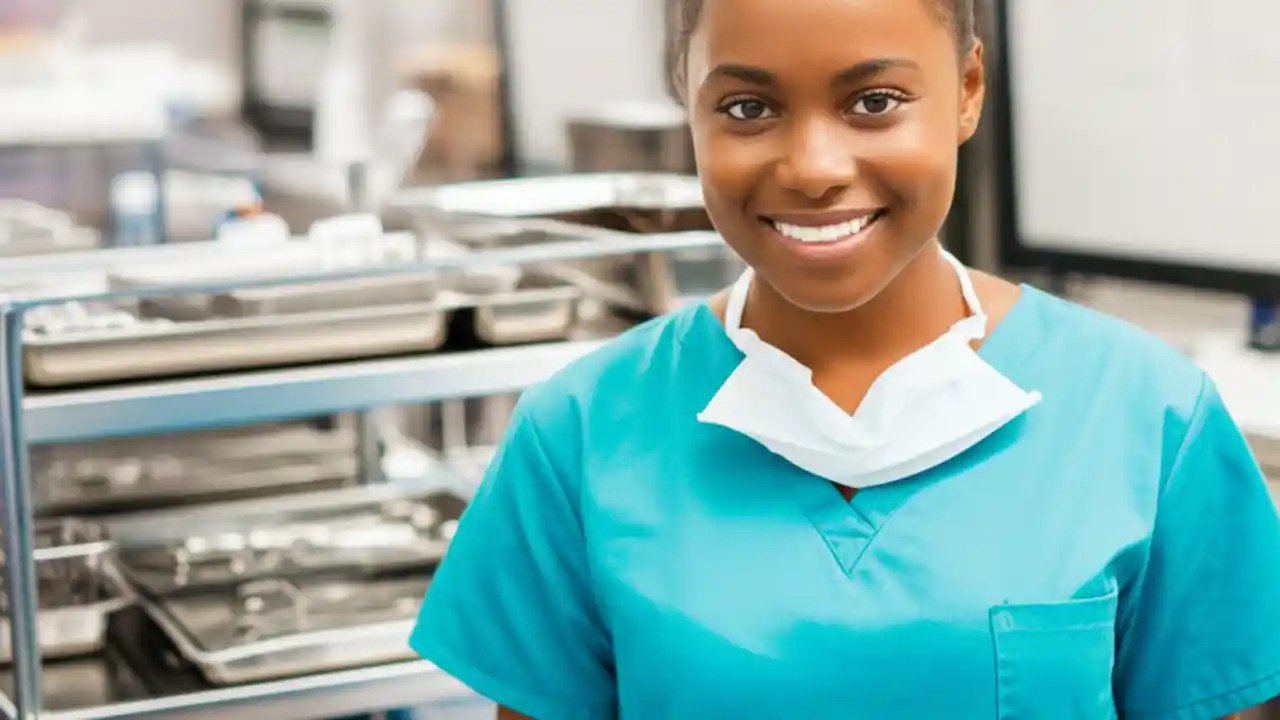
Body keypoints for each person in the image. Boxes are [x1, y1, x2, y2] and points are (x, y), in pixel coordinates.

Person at [409, 0, 1280, 717]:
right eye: (749, 109)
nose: (814, 168)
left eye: (874, 102)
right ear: (689, 104)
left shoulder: (1148, 416)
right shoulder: (580, 434)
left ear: (968, 89)